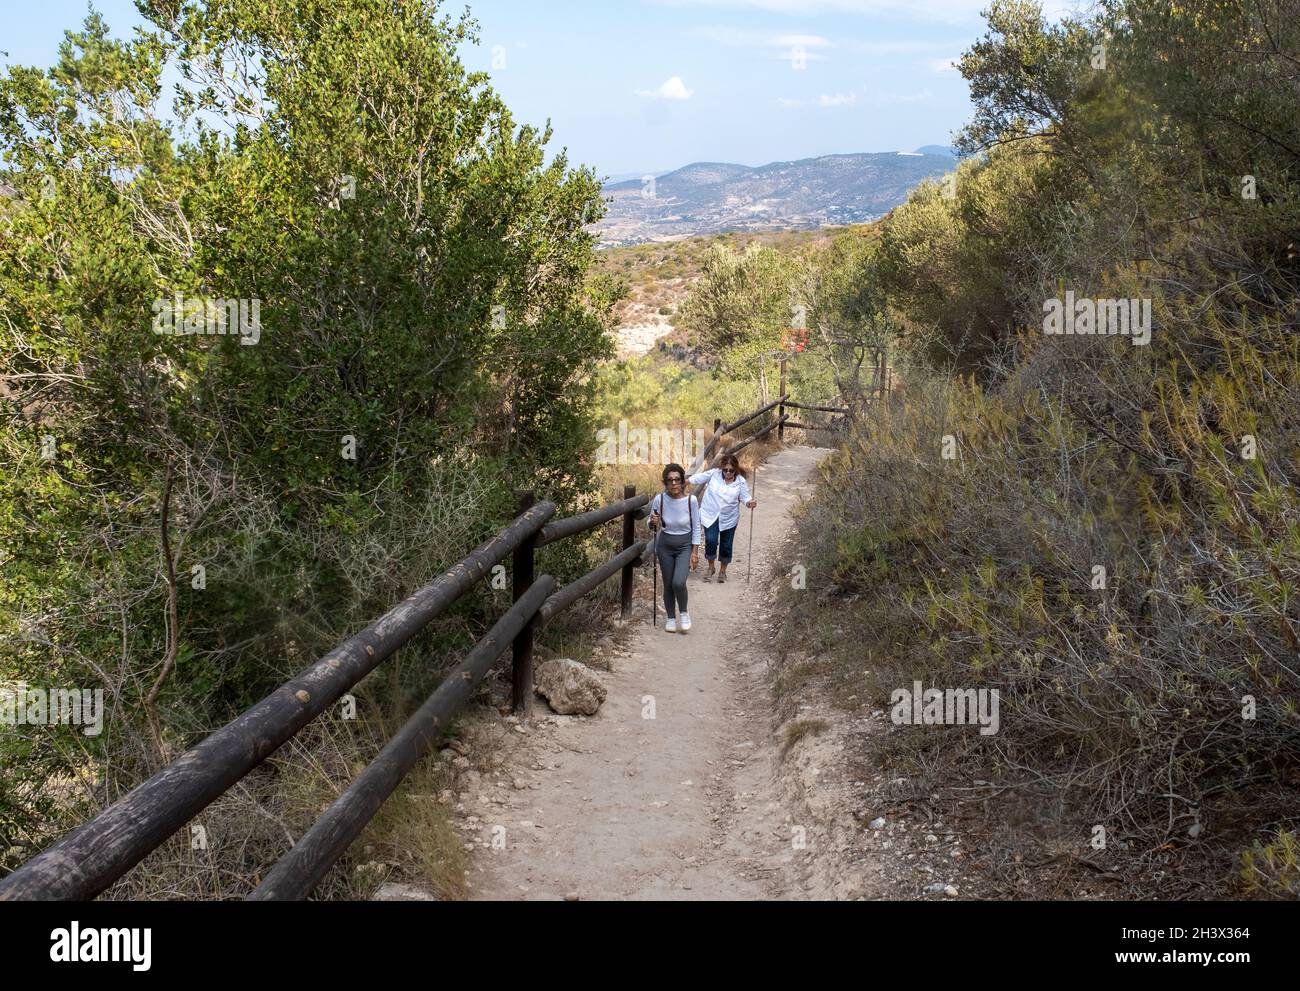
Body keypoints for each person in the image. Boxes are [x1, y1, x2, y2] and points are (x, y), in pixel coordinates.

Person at [648, 463, 701, 633]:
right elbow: (651, 523)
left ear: (683, 481)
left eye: (677, 479)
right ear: (665, 482)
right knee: (668, 584)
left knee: (679, 582)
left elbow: (696, 527)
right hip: (665, 546)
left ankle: (684, 613)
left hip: (685, 545)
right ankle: (671, 618)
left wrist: (695, 552)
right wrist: (653, 522)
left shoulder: (691, 501)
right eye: (670, 480)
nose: (674, 483)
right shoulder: (660, 499)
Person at [689, 453, 756, 583]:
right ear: (722, 468)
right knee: (711, 540)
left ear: (735, 469)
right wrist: (685, 481)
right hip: (710, 515)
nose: (728, 472)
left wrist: (749, 503)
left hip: (729, 518)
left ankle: (723, 571)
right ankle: (711, 567)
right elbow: (699, 478)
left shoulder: (740, 481)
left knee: (726, 545)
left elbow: (745, 497)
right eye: (725, 470)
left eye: (731, 470)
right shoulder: (714, 474)